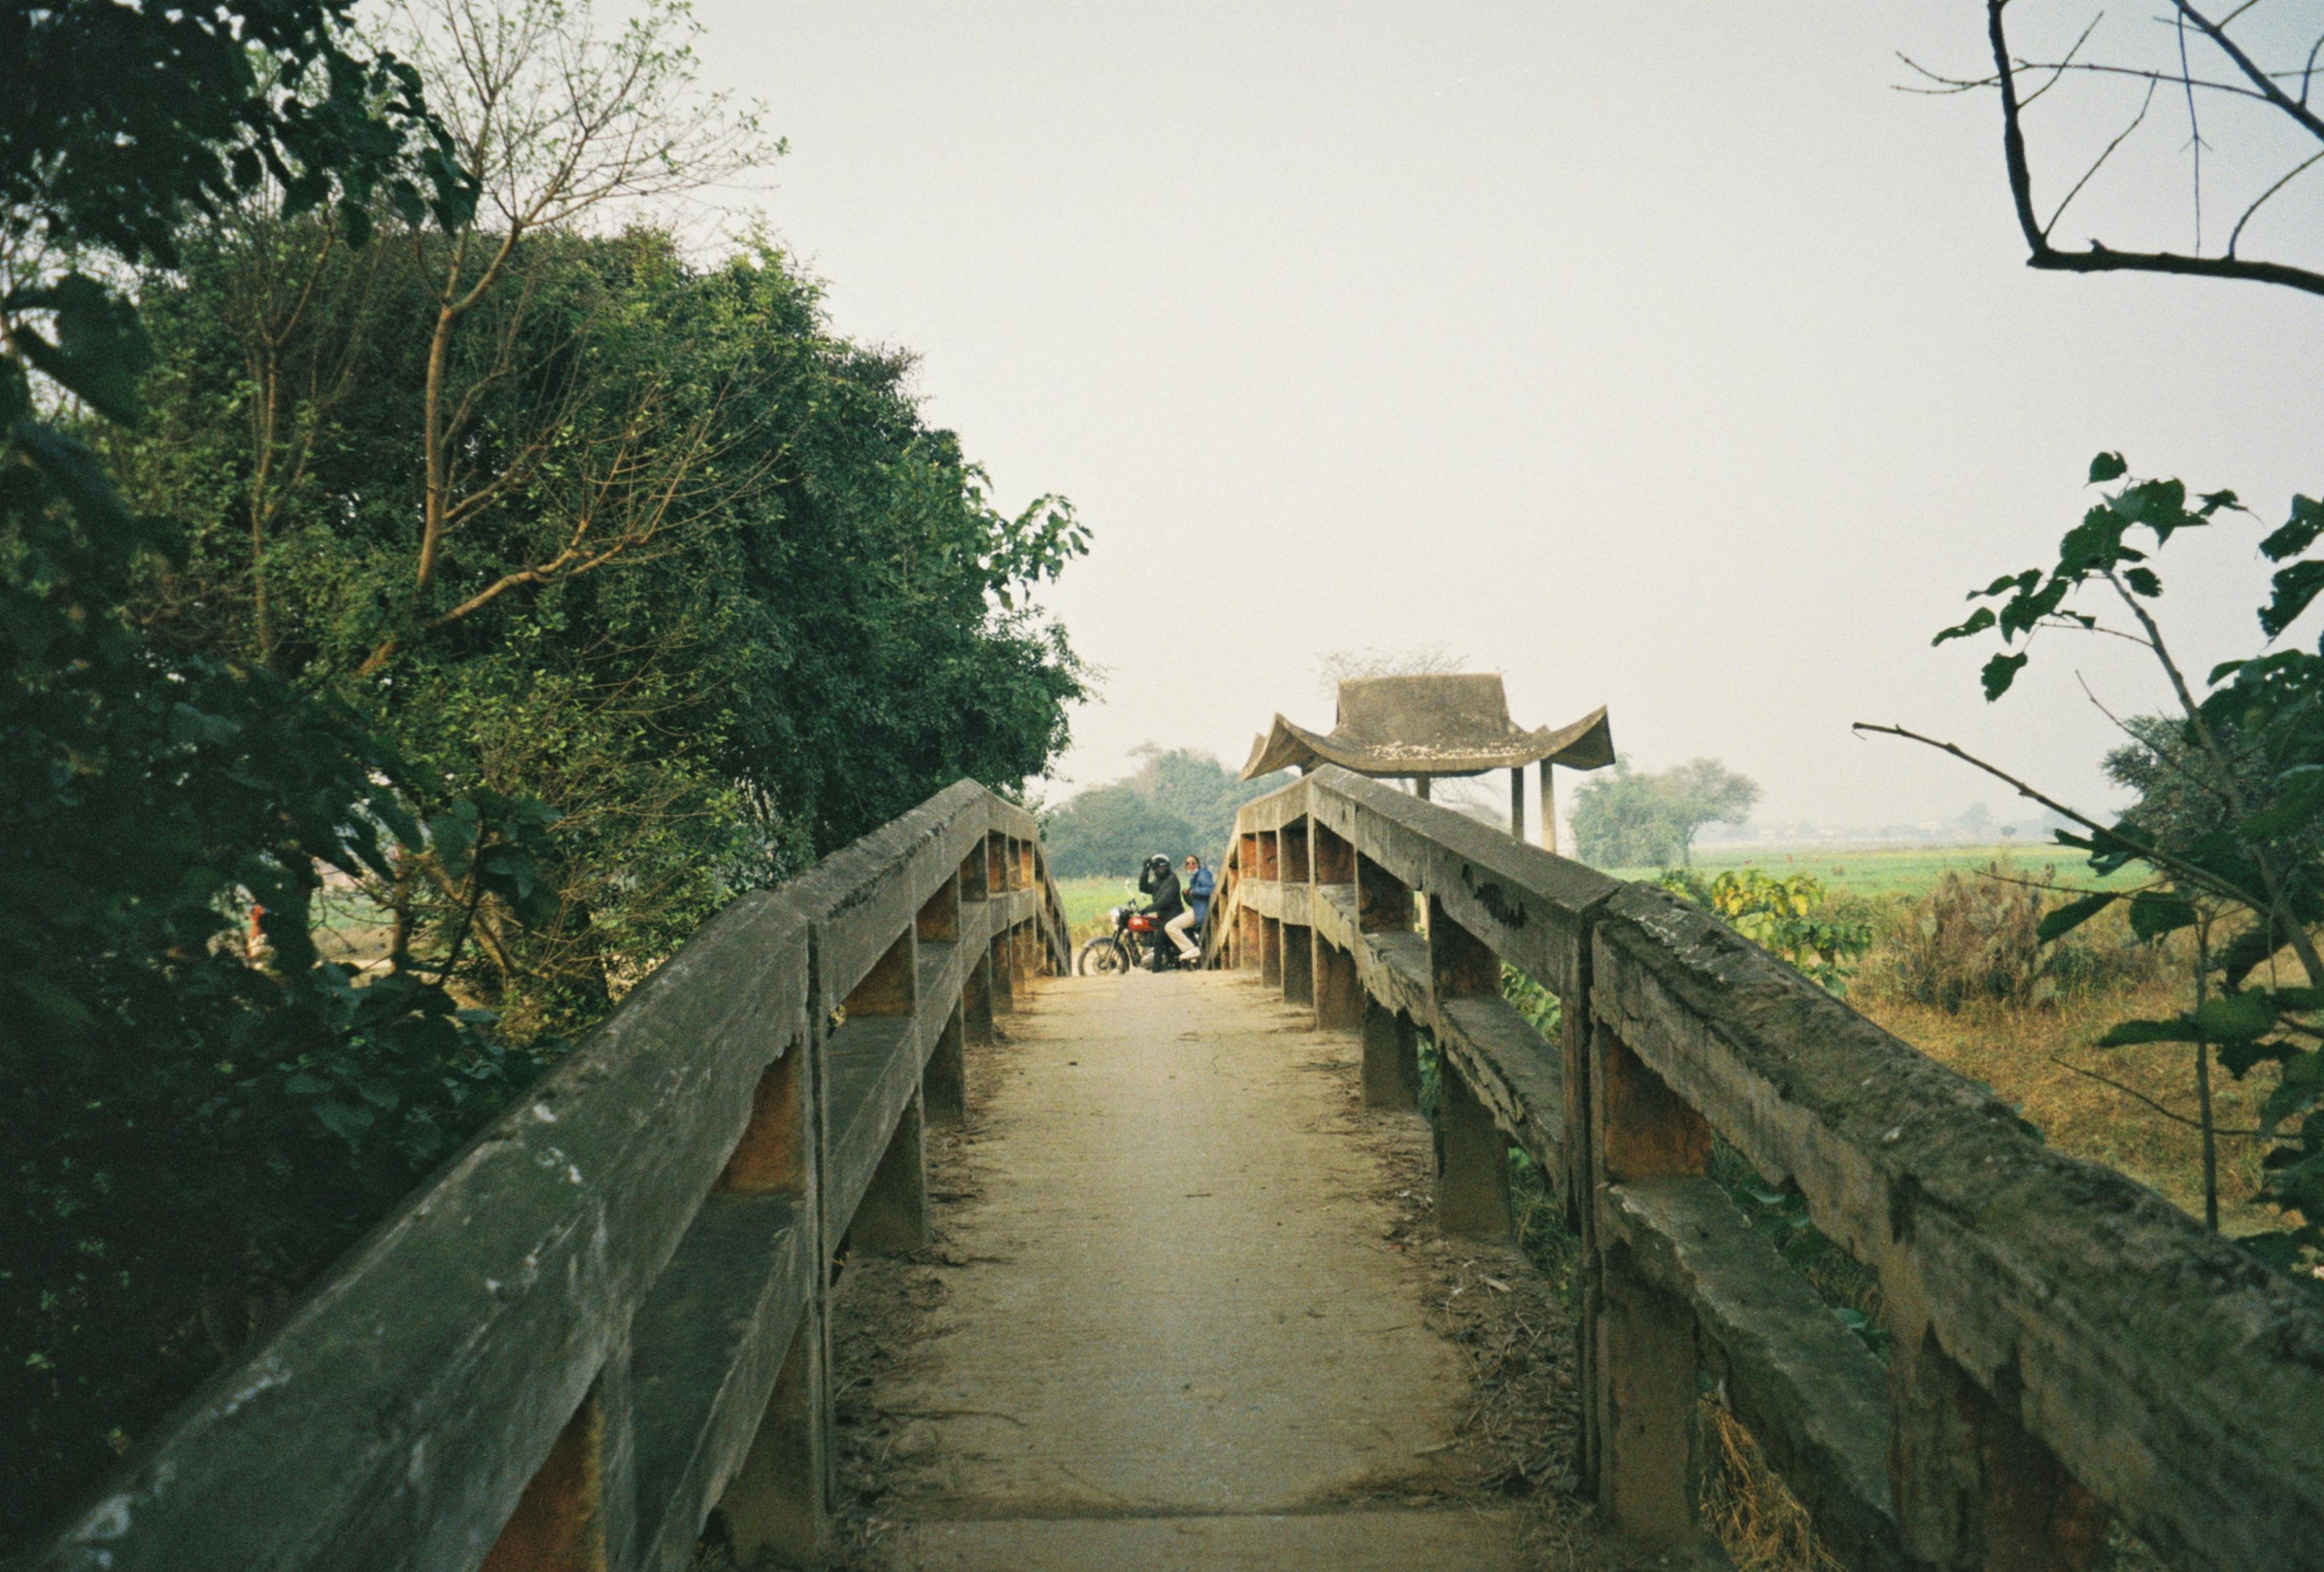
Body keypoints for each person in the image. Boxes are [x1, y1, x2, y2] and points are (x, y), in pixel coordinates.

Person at [1137, 852, 1185, 972]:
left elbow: (1165, 901)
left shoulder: (1172, 880)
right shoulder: (1157, 882)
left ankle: (1157, 969)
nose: (1160, 870)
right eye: (1156, 868)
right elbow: (1143, 888)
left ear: (1168, 866)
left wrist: (1148, 908)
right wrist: (1145, 871)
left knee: (1158, 938)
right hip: (1163, 917)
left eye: (1162, 867)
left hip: (1174, 916)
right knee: (1153, 932)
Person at [1167, 854, 1211, 967]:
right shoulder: (1194, 879)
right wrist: (1187, 895)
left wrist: (1194, 892)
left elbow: (1211, 889)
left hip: (1201, 912)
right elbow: (1193, 902)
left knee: (1170, 927)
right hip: (1198, 910)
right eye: (1188, 864)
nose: (1190, 865)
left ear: (1198, 864)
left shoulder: (1203, 874)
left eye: (1193, 863)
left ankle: (1191, 950)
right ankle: (1192, 951)